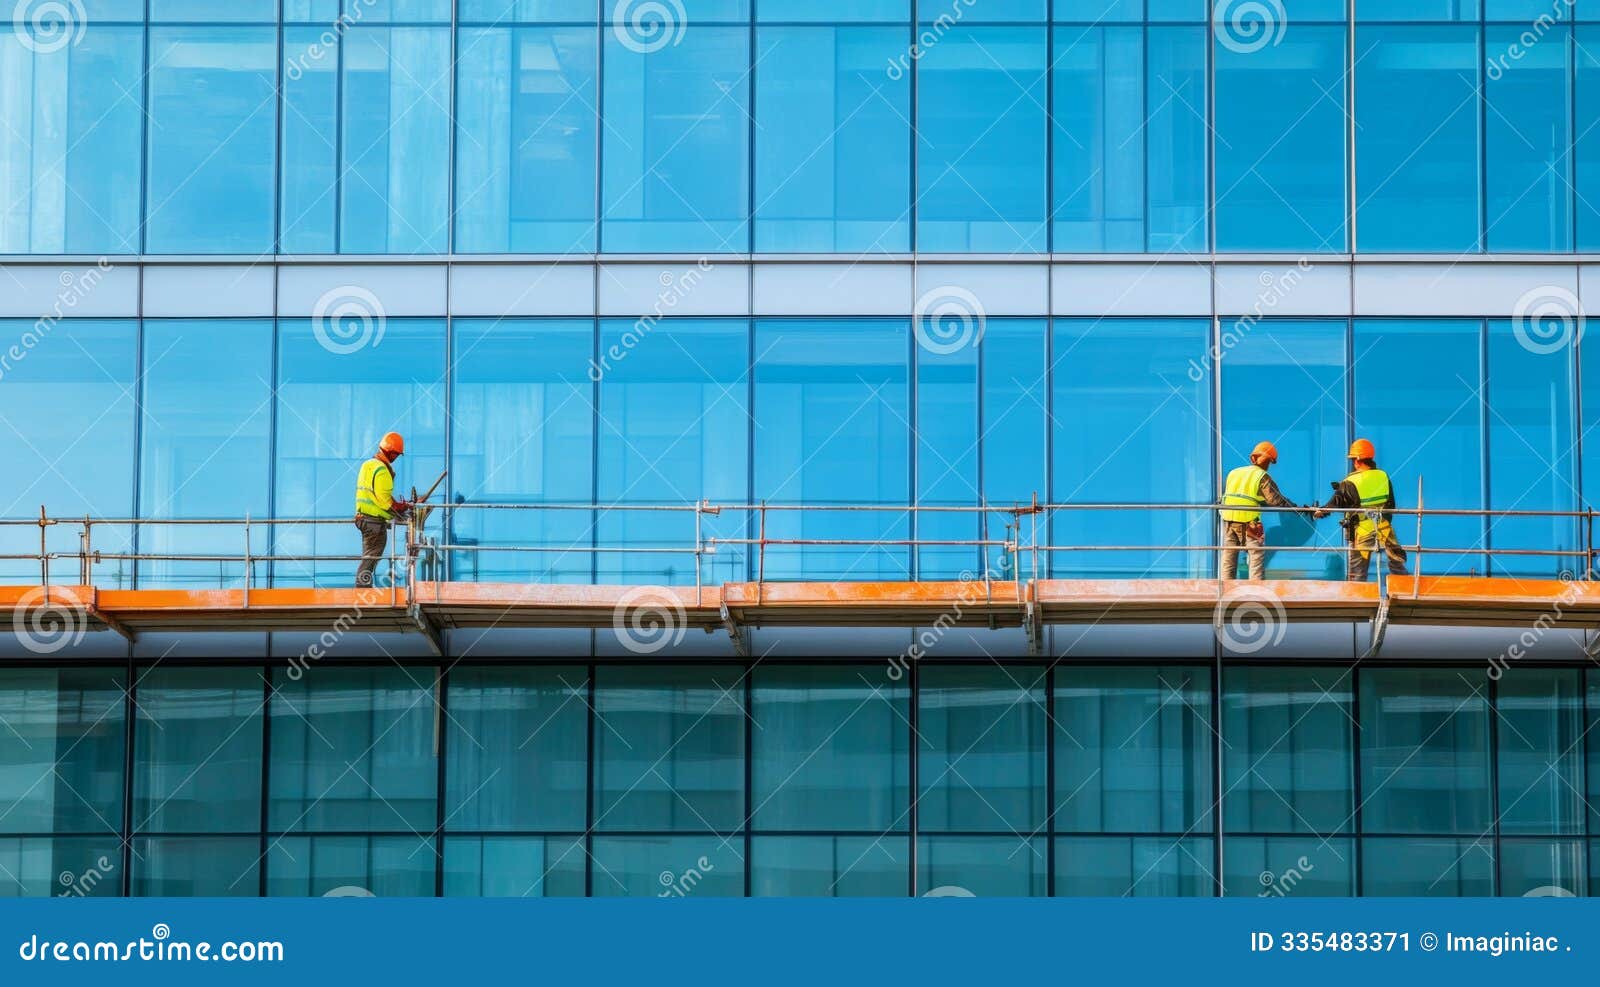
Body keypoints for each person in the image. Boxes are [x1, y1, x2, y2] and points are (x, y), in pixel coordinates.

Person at [1313, 438, 1408, 582]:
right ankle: (1404, 589)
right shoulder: (1382, 476)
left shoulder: (1350, 481)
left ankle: (1357, 598)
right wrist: (1384, 522)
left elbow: (1335, 502)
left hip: (1361, 530)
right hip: (1384, 527)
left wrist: (1320, 511)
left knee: (1358, 572)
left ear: (1357, 459)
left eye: (1353, 459)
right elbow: (1391, 504)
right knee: (1396, 562)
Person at [1219, 440, 1303, 580]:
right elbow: (1275, 500)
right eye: (1269, 461)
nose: (1268, 465)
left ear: (1253, 457)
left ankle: (1226, 588)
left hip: (1228, 520)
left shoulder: (1234, 473)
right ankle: (1255, 588)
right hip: (1250, 521)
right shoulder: (1261, 476)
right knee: (1256, 556)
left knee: (1229, 556)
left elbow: (1242, 496)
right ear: (1266, 460)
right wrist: (1296, 509)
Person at [354, 432, 411, 588]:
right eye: (397, 455)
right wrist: (402, 506)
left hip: (362, 517)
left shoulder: (368, 465)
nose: (396, 457)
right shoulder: (382, 470)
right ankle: (361, 590)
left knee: (369, 556)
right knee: (371, 557)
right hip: (374, 522)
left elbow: (374, 494)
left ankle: (363, 587)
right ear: (391, 452)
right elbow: (386, 502)